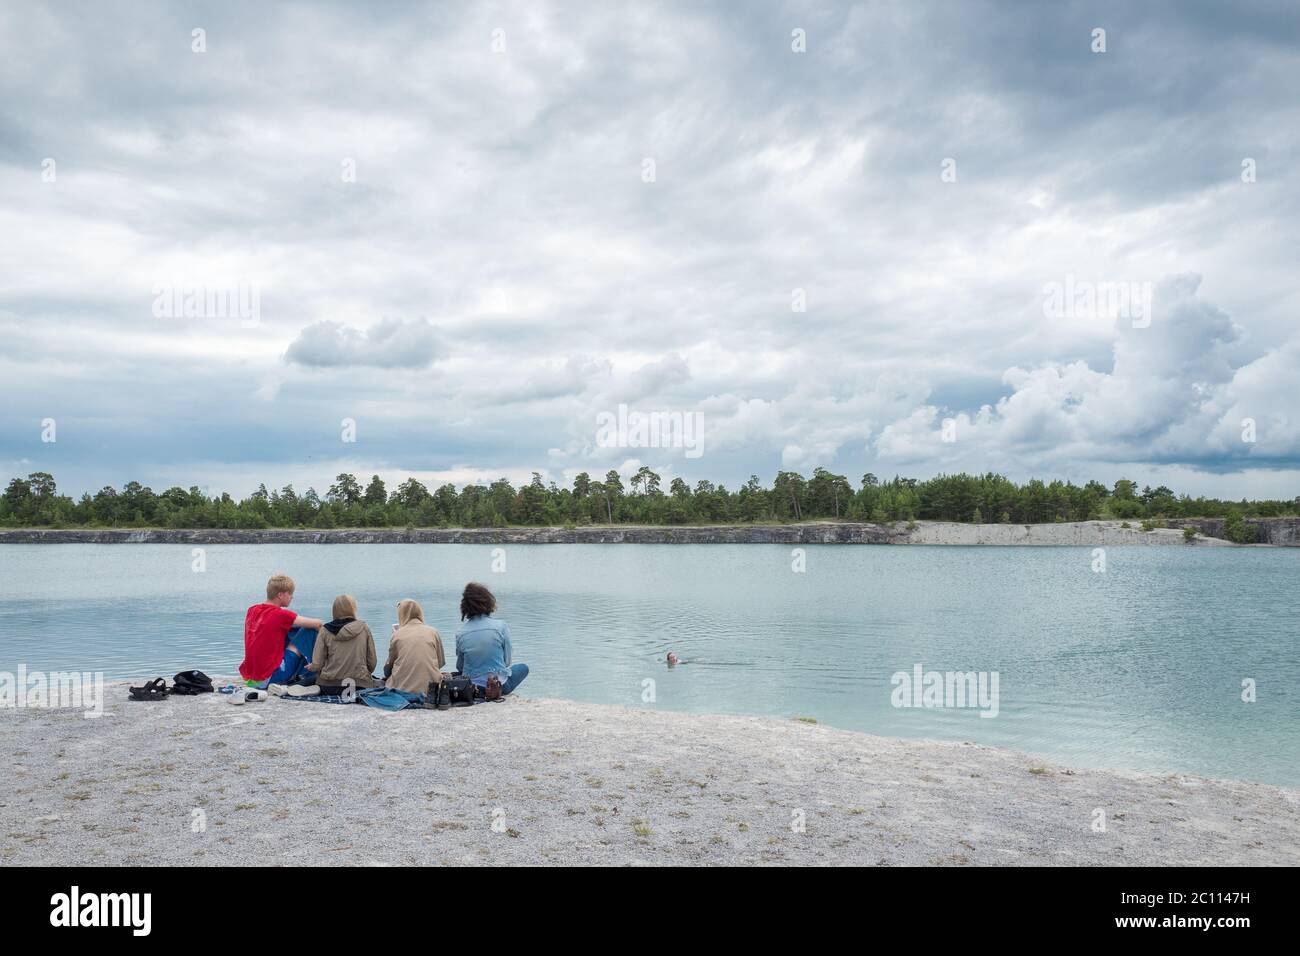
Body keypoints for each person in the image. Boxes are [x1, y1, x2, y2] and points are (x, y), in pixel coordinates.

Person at [279, 594, 383, 698]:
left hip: (329, 686)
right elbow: (372, 663)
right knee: (377, 681)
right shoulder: (364, 628)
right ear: (353, 609)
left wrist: (313, 666)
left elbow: (317, 664)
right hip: (358, 685)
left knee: (314, 678)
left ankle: (288, 688)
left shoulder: (325, 630)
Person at [240, 574, 323, 688]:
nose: (292, 597)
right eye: (290, 593)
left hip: (251, 677)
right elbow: (317, 624)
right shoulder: (281, 615)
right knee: (309, 631)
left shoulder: (252, 610)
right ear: (280, 595)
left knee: (292, 629)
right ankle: (313, 672)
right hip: (270, 677)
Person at [454, 582, 528, 696]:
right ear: (489, 603)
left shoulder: (461, 632)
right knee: (523, 668)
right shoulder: (501, 626)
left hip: (473, 689)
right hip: (499, 685)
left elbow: (460, 667)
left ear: (464, 607)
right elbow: (507, 662)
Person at [383, 599, 447, 694]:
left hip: (402, 688)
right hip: (432, 688)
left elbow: (388, 669)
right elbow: (440, 663)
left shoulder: (397, 635)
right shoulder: (433, 632)